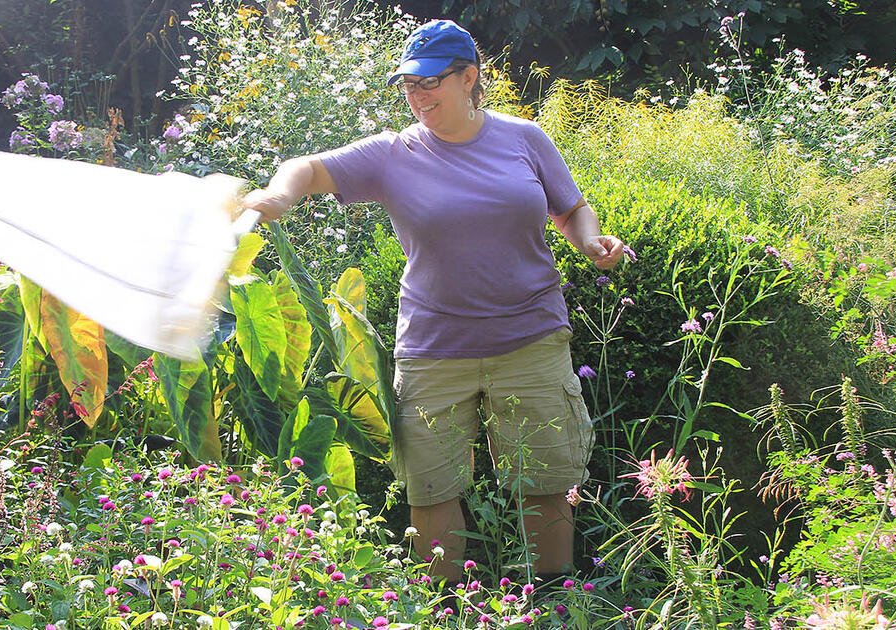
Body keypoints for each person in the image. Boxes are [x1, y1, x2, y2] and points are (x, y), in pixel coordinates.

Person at [241, 19, 624, 585]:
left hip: (532, 339)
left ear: (469, 77)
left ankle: (554, 602)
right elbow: (308, 168)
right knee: (432, 488)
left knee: (543, 482)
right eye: (407, 86)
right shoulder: (393, 154)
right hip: (434, 349)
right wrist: (279, 193)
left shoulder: (525, 139)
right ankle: (450, 608)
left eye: (430, 83)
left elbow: (569, 208)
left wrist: (590, 240)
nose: (417, 97)